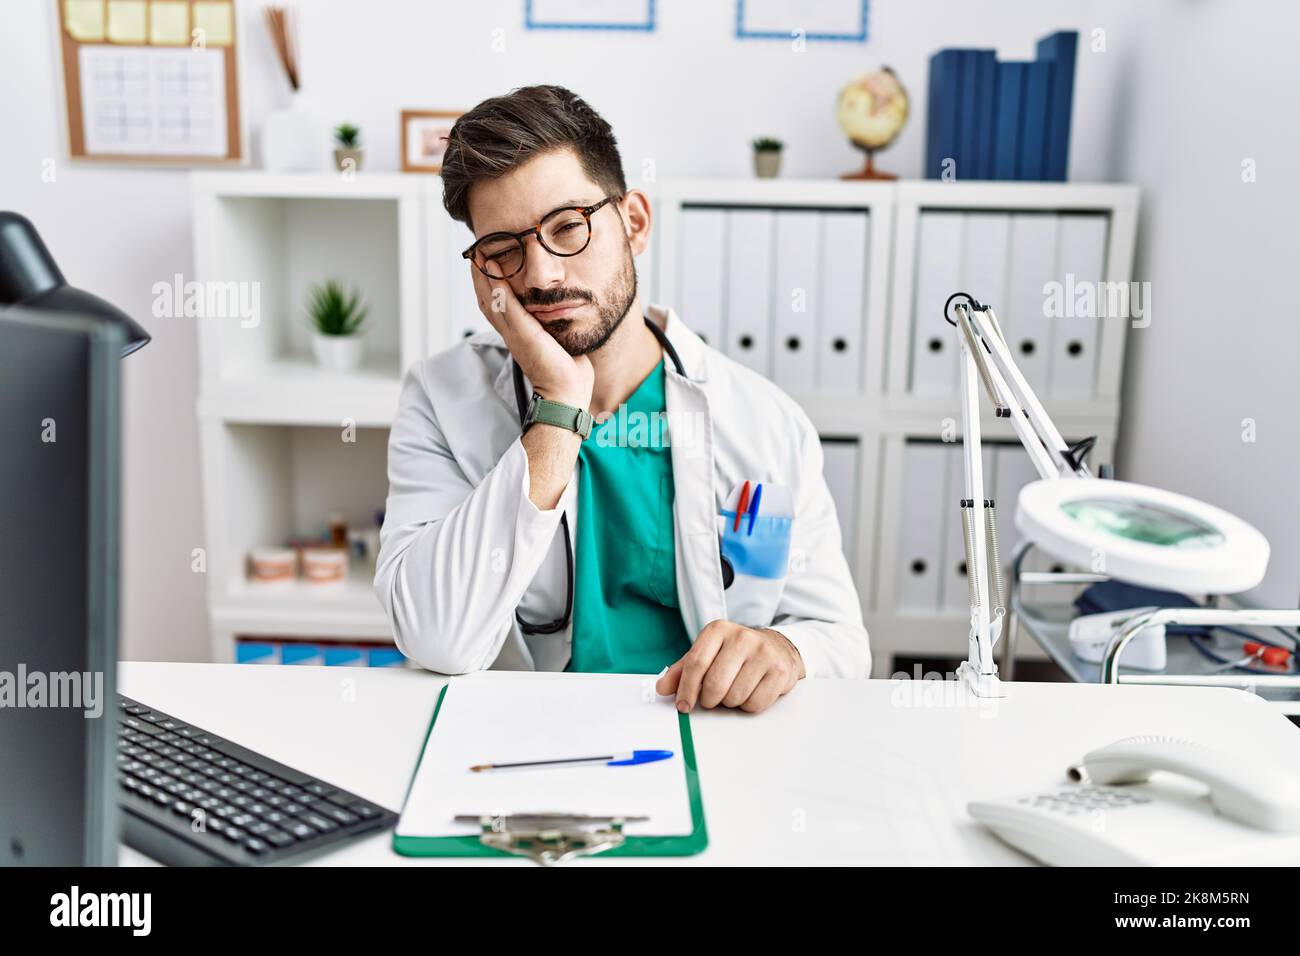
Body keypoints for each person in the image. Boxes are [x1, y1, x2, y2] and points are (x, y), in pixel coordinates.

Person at [374, 85, 869, 714]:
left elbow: (842, 642)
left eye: (567, 228)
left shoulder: (766, 420)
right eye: (504, 252)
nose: (542, 275)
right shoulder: (441, 400)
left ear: (633, 223)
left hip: (711, 736)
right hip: (523, 743)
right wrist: (557, 405)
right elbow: (435, 636)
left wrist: (787, 651)